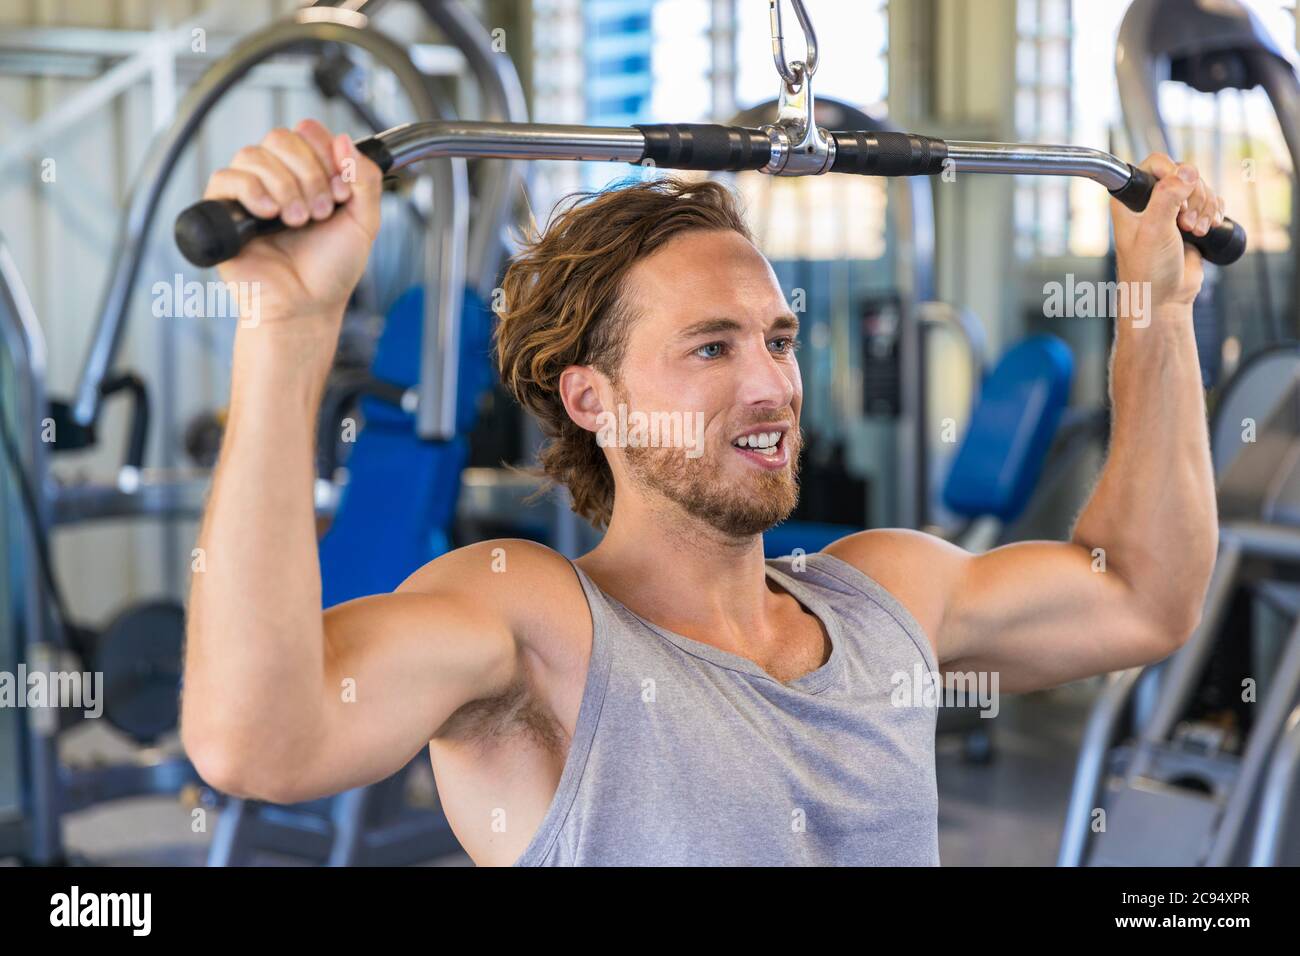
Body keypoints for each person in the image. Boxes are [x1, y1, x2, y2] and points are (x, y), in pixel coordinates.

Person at [180, 118, 1223, 866]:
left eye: (777, 338)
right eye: (710, 346)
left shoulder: (881, 592)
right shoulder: (538, 625)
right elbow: (256, 739)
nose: (771, 383)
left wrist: (1157, 310)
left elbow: (1142, 589)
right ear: (594, 398)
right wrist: (291, 328)